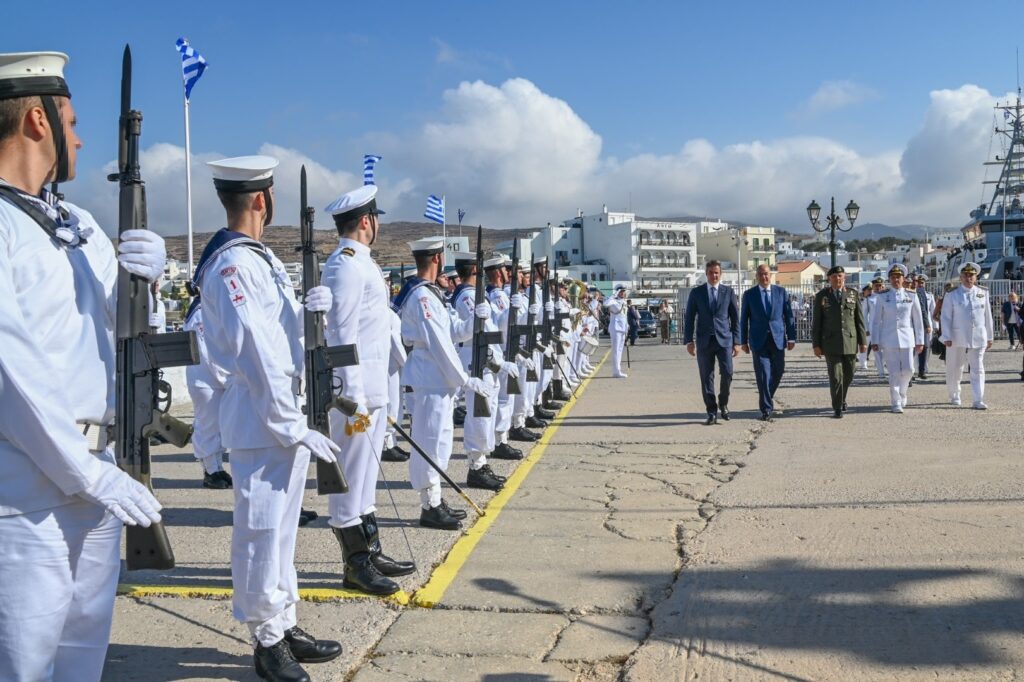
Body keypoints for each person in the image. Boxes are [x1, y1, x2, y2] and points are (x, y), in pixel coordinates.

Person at [0, 51, 165, 682]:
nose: (80, 137)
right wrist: (87, 474)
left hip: (97, 474)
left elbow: (121, 332)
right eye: (70, 122)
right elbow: (13, 374)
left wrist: (141, 281)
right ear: (37, 122)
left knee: (80, 663)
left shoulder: (80, 224)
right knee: (23, 666)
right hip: (28, 492)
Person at [195, 156, 342, 681]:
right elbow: (254, 352)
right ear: (261, 199)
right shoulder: (233, 265)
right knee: (259, 530)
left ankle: (283, 619)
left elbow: (278, 337)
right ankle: (265, 638)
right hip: (261, 418)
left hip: (280, 413)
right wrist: (290, 424)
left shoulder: (260, 260)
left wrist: (308, 312)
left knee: (281, 531)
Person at [320, 185, 415, 596]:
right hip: (355, 393)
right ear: (366, 221)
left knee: (366, 479)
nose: (379, 225)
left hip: (373, 390)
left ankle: (371, 550)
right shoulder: (345, 265)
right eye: (377, 219)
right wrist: (352, 397)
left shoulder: (364, 264)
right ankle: (354, 564)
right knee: (350, 478)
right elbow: (340, 334)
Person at [393, 238, 496, 530]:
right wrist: (465, 380)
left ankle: (436, 498)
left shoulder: (432, 293)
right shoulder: (422, 297)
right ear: (437, 258)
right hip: (429, 378)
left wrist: (474, 322)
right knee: (429, 442)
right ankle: (429, 505)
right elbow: (439, 345)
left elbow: (451, 333)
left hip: (437, 380)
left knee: (440, 441)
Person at [450, 253, 510, 493]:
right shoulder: (466, 296)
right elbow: (474, 329)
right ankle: (476, 467)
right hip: (477, 361)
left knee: (487, 412)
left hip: (487, 359)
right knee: (479, 415)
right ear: (473, 272)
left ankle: (481, 463)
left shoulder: (477, 296)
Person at [684, 260, 740, 425]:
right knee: (706, 377)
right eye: (710, 272)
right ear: (706, 274)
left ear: (720, 273)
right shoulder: (697, 293)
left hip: (725, 340)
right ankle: (711, 411)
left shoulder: (728, 292)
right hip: (704, 341)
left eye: (716, 272)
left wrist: (737, 342)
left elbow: (735, 319)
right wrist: (689, 341)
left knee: (728, 372)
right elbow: (689, 318)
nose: (713, 275)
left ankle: (723, 403)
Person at [740, 264, 796, 421]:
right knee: (763, 374)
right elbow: (744, 319)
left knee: (778, 371)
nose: (764, 277)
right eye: (760, 274)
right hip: (758, 341)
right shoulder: (749, 295)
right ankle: (766, 408)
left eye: (766, 274)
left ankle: (766, 396)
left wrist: (791, 337)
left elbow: (788, 316)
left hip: (777, 339)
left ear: (770, 275)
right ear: (756, 276)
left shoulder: (781, 292)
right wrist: (743, 341)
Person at [810, 265, 867, 418]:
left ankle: (842, 398)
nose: (837, 279)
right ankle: (837, 407)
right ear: (829, 278)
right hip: (830, 343)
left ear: (844, 277)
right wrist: (816, 344)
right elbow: (817, 322)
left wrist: (863, 342)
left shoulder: (853, 295)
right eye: (834, 276)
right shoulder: (822, 296)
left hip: (850, 341)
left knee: (849, 374)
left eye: (840, 276)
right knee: (836, 376)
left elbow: (859, 321)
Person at [870, 264, 924, 413]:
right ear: (889, 279)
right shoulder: (882, 296)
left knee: (909, 369)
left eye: (898, 277)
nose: (896, 280)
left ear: (903, 278)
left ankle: (903, 393)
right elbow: (876, 321)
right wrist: (875, 341)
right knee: (893, 371)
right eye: (893, 277)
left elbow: (918, 320)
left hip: (907, 337)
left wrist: (920, 341)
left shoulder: (911, 295)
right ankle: (895, 401)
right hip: (889, 338)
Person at [940, 262, 994, 409]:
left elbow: (987, 316)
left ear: (976, 277)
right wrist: (946, 336)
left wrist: (990, 336)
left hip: (978, 336)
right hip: (956, 336)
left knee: (977, 368)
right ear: (961, 277)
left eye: (971, 275)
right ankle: (955, 394)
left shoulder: (983, 292)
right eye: (965, 275)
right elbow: (945, 317)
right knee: (955, 367)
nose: (968, 278)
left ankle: (978, 399)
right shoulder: (952, 294)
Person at [604, 285, 630, 378]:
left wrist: (627, 326)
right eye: (621, 291)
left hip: (622, 328)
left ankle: (617, 370)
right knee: (615, 350)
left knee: (620, 350)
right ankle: (616, 371)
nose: (623, 293)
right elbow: (605, 304)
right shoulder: (612, 301)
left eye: (624, 291)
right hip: (615, 328)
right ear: (618, 291)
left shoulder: (624, 301)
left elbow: (624, 315)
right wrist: (614, 294)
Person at [913, 274, 936, 379]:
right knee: (914, 348)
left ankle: (923, 368)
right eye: (919, 282)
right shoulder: (912, 293)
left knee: (926, 347)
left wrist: (935, 326)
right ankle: (914, 369)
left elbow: (932, 312)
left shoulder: (929, 295)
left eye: (922, 283)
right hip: (915, 325)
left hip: (927, 324)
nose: (920, 284)